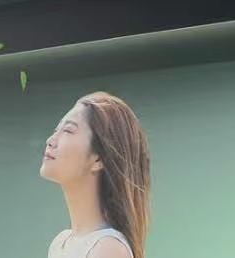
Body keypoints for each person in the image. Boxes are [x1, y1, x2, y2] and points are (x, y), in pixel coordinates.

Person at [39, 92, 151, 258]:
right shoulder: (60, 244)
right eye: (56, 130)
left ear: (98, 158)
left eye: (68, 130)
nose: (50, 140)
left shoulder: (108, 249)